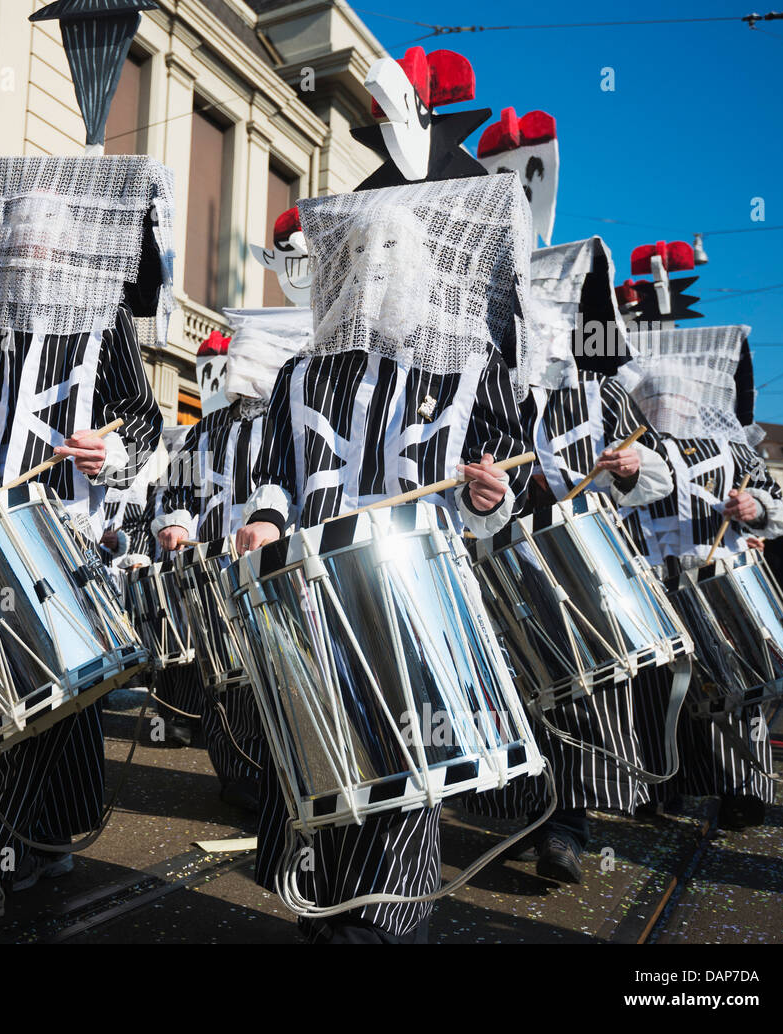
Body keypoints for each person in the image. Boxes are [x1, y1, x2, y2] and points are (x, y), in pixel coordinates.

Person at [236, 174, 536, 943]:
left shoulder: (471, 365)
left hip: (417, 592)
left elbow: (504, 485)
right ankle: (330, 913)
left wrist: (486, 495)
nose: (376, 269)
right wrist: (265, 521)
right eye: (363, 253)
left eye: (393, 254)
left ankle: (387, 926)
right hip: (313, 592)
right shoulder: (302, 372)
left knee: (410, 759)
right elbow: (274, 473)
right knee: (325, 750)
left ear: (424, 265)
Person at [0, 153, 171, 921]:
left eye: (42, 234)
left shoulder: (104, 319)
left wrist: (113, 451)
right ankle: (22, 843)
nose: (29, 246)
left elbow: (146, 420)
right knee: (8, 699)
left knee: (46, 698)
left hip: (63, 531)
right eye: (19, 233)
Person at [466, 236, 682, 884]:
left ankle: (567, 831)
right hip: (502, 560)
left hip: (583, 561)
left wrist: (636, 465)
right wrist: (482, 493)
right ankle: (525, 819)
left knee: (583, 698)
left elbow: (661, 477)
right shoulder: (486, 383)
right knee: (516, 697)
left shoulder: (604, 388)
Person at [152, 283, 311, 811]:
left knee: (274, 670)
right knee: (224, 674)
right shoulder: (210, 425)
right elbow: (176, 482)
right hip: (217, 565)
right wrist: (175, 522)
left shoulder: (292, 423)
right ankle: (235, 770)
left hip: (275, 568)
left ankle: (278, 771)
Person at [625, 323, 783, 831]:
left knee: (735, 684)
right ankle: (660, 785)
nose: (668, 402)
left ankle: (744, 786)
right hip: (652, 580)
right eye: (656, 394)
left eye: (677, 394)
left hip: (715, 577)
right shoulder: (632, 445)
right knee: (659, 689)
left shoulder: (733, 447)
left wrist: (754, 504)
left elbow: (776, 510)